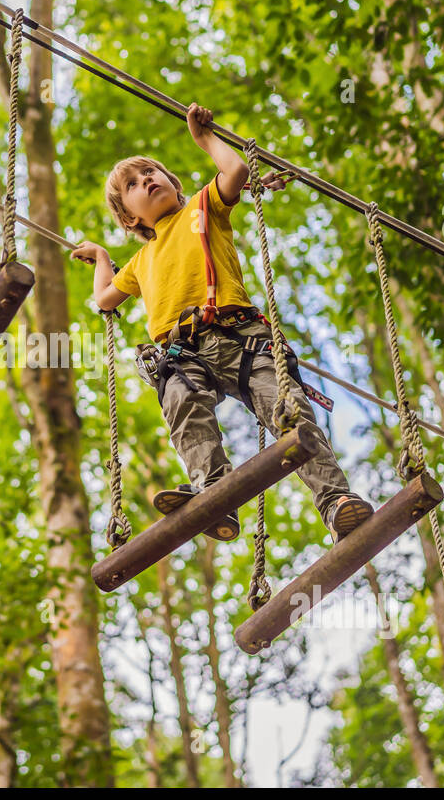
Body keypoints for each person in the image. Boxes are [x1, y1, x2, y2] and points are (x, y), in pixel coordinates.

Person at [70, 103, 373, 543]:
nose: (147, 180)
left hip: (244, 340)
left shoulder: (201, 208)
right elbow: (104, 297)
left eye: (153, 173)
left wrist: (204, 138)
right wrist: (101, 256)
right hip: (184, 355)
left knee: (288, 411)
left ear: (174, 185)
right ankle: (213, 493)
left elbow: (234, 171)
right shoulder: (139, 262)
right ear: (131, 218)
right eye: (134, 184)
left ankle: (335, 501)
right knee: (181, 405)